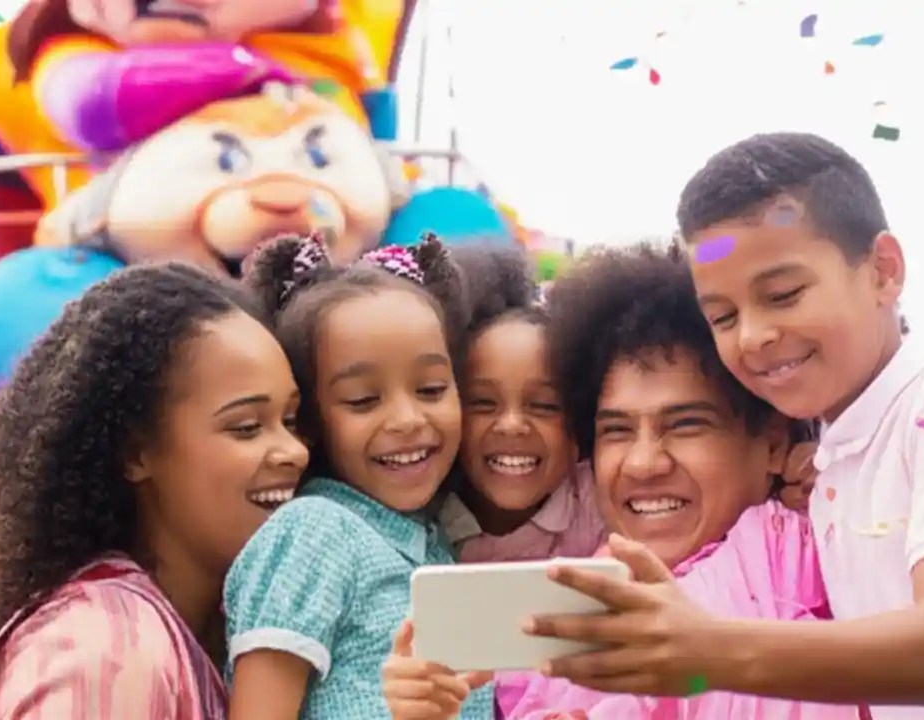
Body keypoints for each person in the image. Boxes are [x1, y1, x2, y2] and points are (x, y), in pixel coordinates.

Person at [525, 133, 924, 719]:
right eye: (724, 316)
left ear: (884, 270)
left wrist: (703, 647)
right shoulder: (825, 473)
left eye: (783, 294)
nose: (754, 336)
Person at [382, 242, 856, 719]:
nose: (642, 464)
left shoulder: (830, 554)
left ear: (773, 443)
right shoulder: (566, 604)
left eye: (686, 425)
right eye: (616, 431)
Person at [0, 263, 309, 719]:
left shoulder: (200, 637)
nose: (294, 451)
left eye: (291, 421)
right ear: (136, 453)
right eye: (247, 426)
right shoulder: (106, 650)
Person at [224, 233, 494, 719]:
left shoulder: (437, 544)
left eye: (431, 389)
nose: (407, 419)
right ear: (309, 419)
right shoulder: (312, 532)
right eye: (364, 400)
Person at [437, 243, 605, 563]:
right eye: (483, 403)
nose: (512, 425)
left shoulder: (599, 508)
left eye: (544, 405)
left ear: (579, 427)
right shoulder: (426, 514)